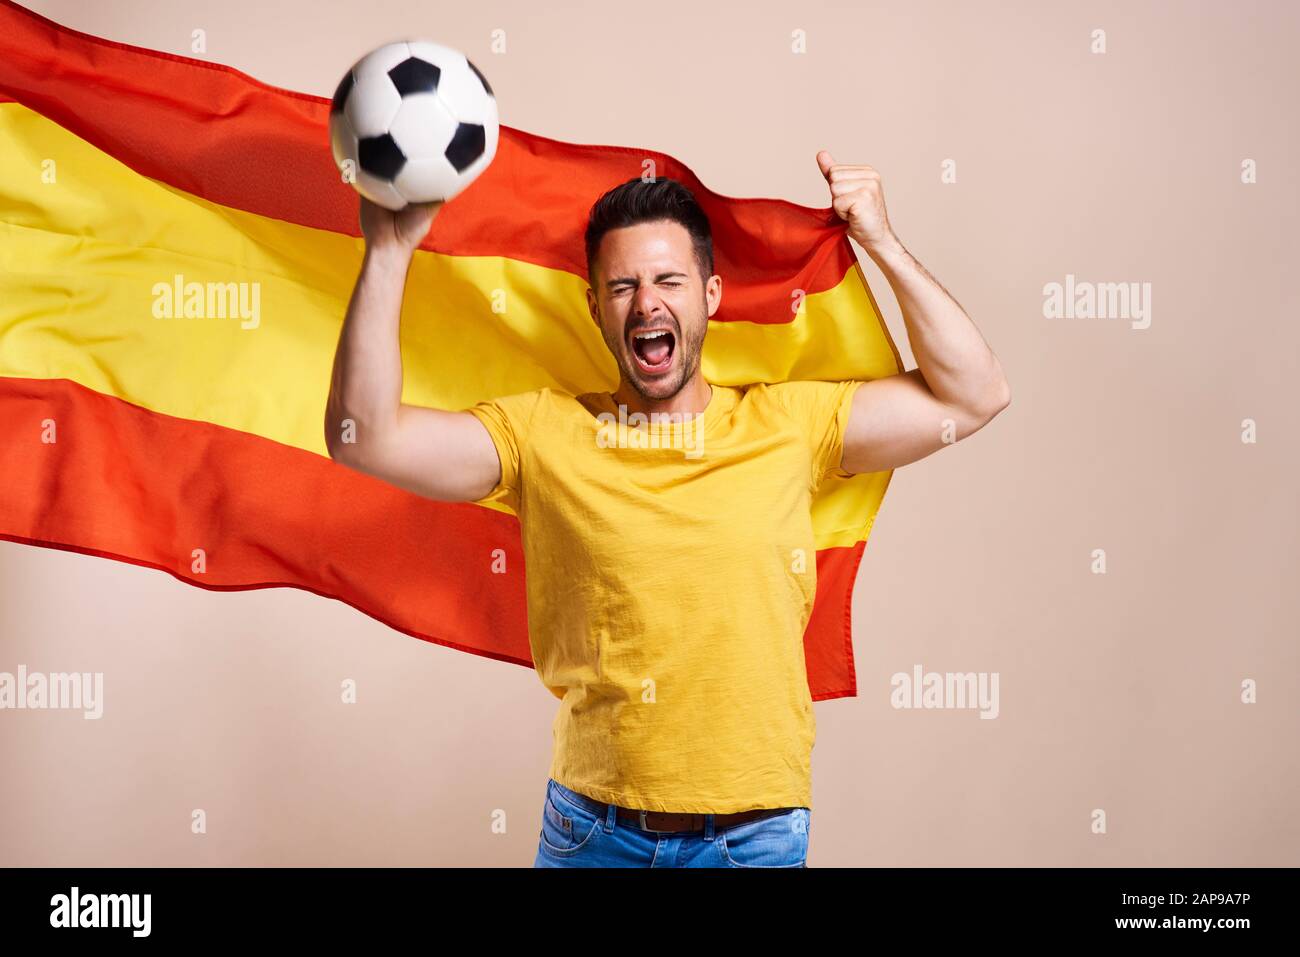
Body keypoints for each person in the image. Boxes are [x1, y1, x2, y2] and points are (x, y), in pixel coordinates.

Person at [323, 150, 1011, 867]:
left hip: (756, 838)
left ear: (710, 295)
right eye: (622, 286)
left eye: (668, 280)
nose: (646, 303)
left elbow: (974, 393)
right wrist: (390, 247)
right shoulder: (541, 433)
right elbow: (362, 436)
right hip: (594, 831)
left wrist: (881, 241)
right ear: (596, 308)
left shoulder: (791, 424)